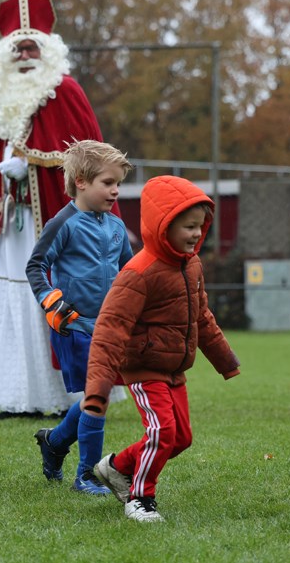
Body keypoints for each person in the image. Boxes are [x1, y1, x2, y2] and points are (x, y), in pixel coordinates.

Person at [0, 0, 106, 417]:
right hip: (10, 223)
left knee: (53, 297)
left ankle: (62, 396)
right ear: (4, 53)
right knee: (11, 300)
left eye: (31, 47)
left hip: (52, 225)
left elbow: (91, 158)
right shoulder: (2, 100)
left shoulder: (67, 91)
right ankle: (15, 397)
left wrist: (33, 161)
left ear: (48, 50)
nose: (23, 54)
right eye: (16, 48)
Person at [84, 176, 242, 522]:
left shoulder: (192, 265)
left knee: (181, 438)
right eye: (188, 227)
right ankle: (140, 497)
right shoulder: (138, 273)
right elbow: (109, 331)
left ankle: (116, 466)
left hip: (174, 369)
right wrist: (97, 391)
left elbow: (201, 316)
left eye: (201, 226)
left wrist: (225, 360)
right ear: (163, 226)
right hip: (143, 367)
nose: (197, 234)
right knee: (162, 432)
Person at [26, 140, 133, 495]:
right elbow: (36, 266)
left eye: (118, 183)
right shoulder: (63, 223)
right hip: (74, 327)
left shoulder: (117, 227)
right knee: (95, 398)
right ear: (82, 182)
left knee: (94, 396)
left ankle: (55, 442)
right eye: (108, 182)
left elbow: (130, 272)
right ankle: (86, 476)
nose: (115, 190)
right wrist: (50, 301)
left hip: (110, 328)